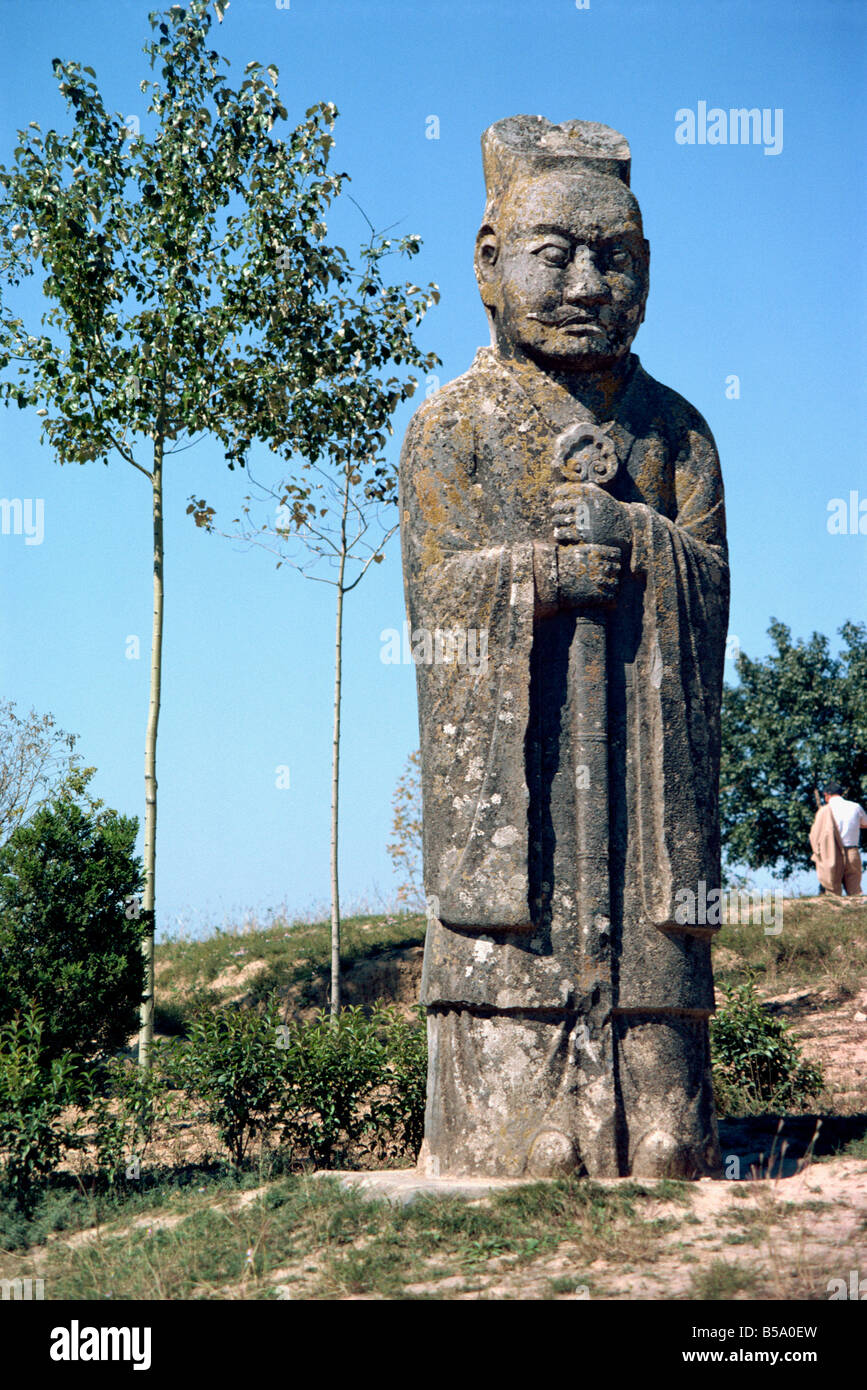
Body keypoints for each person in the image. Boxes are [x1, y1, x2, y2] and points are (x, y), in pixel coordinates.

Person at [400, 116, 729, 1178]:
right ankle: (519, 1111)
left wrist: (637, 538)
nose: (589, 281)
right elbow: (435, 603)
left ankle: (655, 1083)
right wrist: (536, 576)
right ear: (491, 263)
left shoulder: (676, 432)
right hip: (523, 790)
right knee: (516, 949)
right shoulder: (451, 427)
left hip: (643, 779)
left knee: (671, 1126)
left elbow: (711, 587)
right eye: (558, 254)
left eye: (616, 256)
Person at [817, 783, 866, 896]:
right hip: (852, 850)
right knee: (855, 890)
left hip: (832, 852)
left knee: (831, 890)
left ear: (826, 795)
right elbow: (865, 824)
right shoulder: (855, 806)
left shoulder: (825, 810)